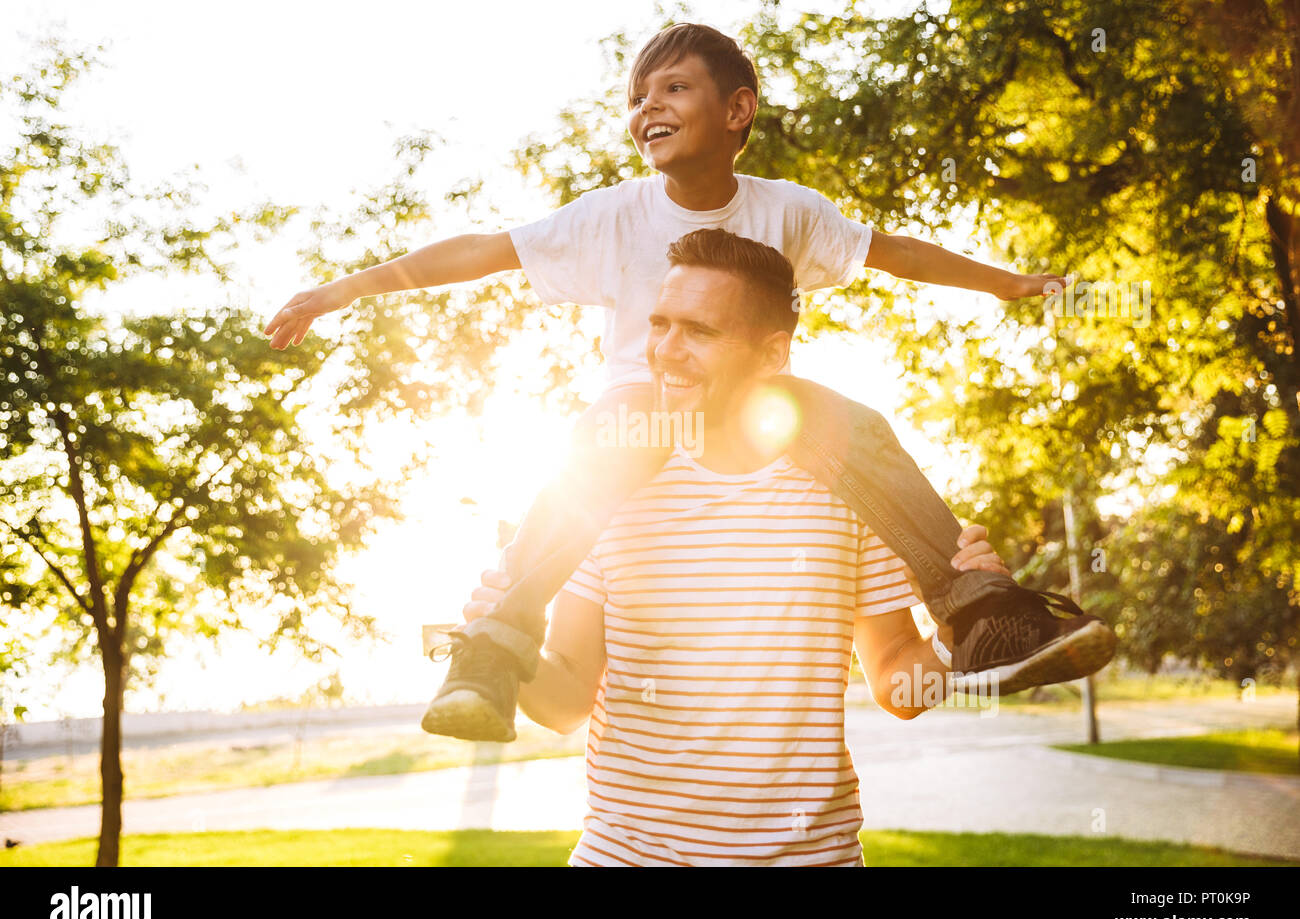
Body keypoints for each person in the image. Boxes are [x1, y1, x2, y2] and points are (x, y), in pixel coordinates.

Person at [262, 23, 1115, 743]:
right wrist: (346, 289)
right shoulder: (613, 215)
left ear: (738, 109)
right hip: (644, 412)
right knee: (595, 448)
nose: (647, 110)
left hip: (758, 406)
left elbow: (896, 252)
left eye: (671, 90)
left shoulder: (790, 209)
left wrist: (1007, 283)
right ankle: (490, 647)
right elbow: (485, 249)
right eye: (637, 99)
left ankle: (977, 614)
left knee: (861, 427)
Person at [465, 229, 1054, 865]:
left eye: (699, 332)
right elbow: (566, 702)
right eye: (659, 324)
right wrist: (511, 649)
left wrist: (959, 641)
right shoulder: (604, 488)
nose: (666, 351)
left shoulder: (850, 490)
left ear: (773, 354)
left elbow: (896, 688)